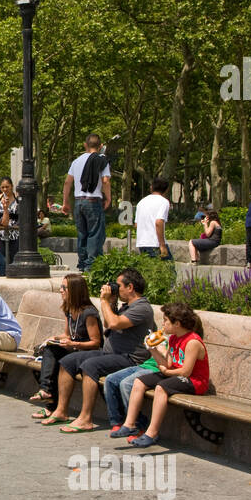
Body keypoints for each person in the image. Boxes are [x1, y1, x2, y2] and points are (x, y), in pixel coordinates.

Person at [38, 269, 156, 431]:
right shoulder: (127, 306)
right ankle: (61, 411)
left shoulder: (142, 308)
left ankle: (86, 418)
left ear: (130, 287)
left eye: (119, 285)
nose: (115, 288)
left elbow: (113, 324)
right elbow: (110, 323)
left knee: (90, 366)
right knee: (67, 361)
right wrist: (113, 303)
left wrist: (105, 301)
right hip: (112, 354)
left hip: (130, 358)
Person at [112, 303, 210, 448]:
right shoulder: (173, 338)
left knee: (161, 387)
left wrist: (166, 372)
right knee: (139, 381)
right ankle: (130, 424)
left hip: (195, 381)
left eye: (165, 320)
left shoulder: (192, 341)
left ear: (177, 323)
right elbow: (168, 363)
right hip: (176, 376)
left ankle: (151, 433)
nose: (163, 324)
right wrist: (152, 349)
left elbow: (185, 371)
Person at [29, 274, 101, 419]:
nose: (60, 290)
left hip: (89, 353)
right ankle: (47, 395)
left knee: (61, 362)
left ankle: (49, 401)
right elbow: (67, 334)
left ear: (74, 290)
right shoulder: (69, 310)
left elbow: (96, 342)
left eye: (64, 288)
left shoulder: (88, 313)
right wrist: (54, 338)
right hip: (75, 350)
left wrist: (73, 344)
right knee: (51, 350)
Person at [62, 133, 111, 271]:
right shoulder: (102, 159)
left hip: (78, 201)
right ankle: (92, 266)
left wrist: (66, 202)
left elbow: (67, 182)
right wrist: (108, 198)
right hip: (93, 200)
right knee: (95, 233)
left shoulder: (76, 161)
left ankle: (82, 264)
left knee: (82, 234)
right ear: (100, 146)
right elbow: (106, 181)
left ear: (85, 145)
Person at [134, 177, 171, 260]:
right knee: (168, 270)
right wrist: (162, 245)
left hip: (142, 243)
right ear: (166, 189)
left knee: (149, 270)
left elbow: (136, 224)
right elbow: (159, 222)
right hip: (155, 243)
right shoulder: (164, 202)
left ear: (151, 187)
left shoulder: (141, 202)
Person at [0, 179, 20, 266]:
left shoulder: (18, 199)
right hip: (0, 234)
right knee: (2, 260)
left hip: (15, 233)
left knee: (14, 259)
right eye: (3, 187)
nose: (5, 189)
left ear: (12, 186)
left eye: (7, 187)